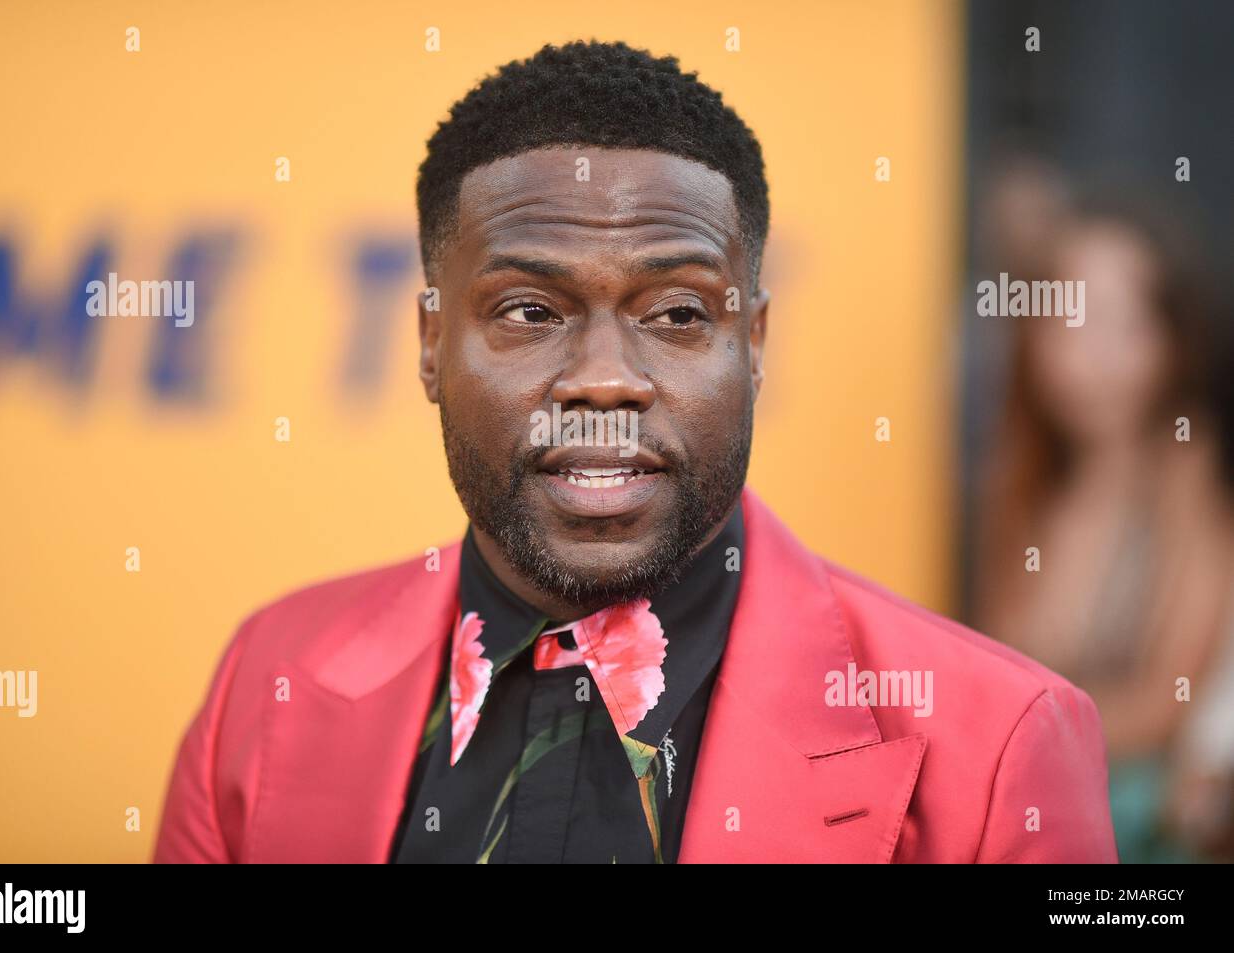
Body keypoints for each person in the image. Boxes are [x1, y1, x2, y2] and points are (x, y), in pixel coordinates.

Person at [154, 40, 1117, 863]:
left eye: (677, 313)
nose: (606, 380)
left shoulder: (999, 745)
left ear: (754, 346)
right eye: (530, 311)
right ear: (429, 345)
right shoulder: (266, 685)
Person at [974, 191, 1234, 862]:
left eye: (1125, 323)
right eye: (1067, 322)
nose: (1093, 355)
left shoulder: (1193, 474)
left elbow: (1164, 704)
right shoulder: (1024, 482)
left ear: (1175, 337)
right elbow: (998, 663)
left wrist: (1016, 733)